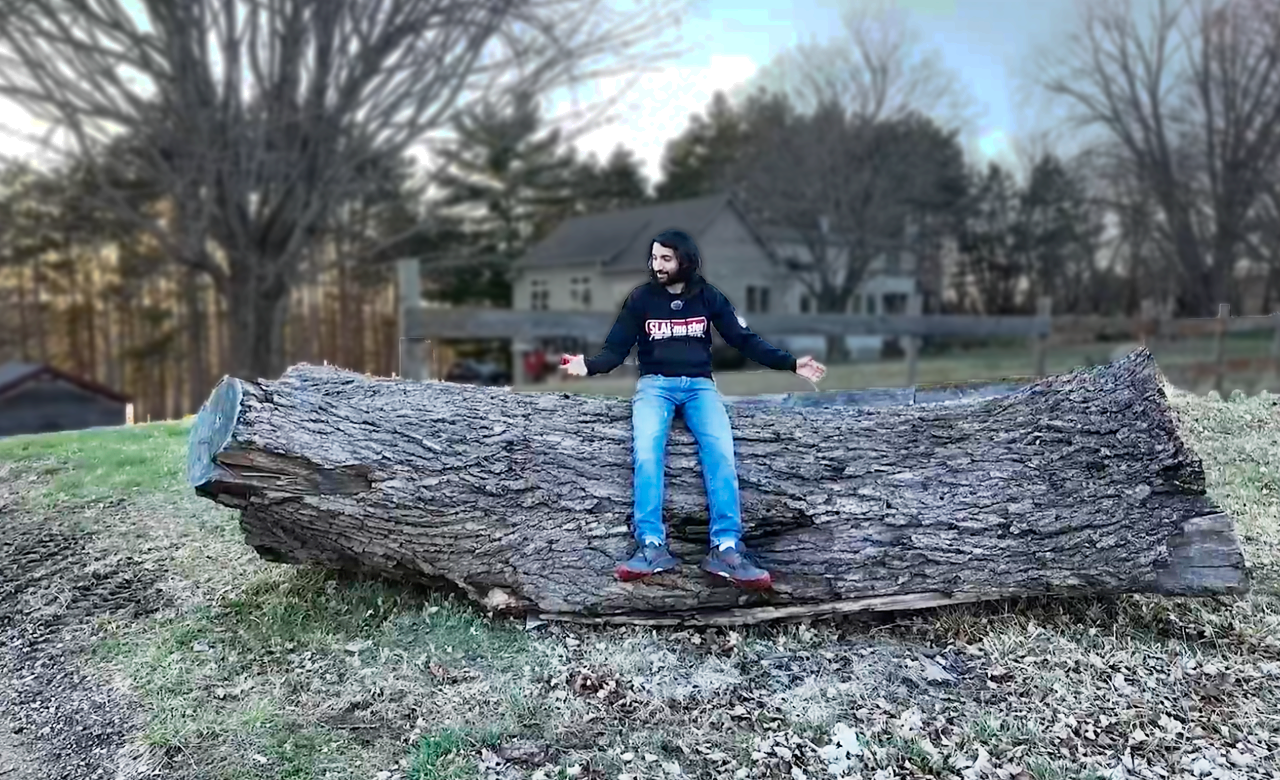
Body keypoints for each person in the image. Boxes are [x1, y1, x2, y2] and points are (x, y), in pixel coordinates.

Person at [559, 229, 826, 589]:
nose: (657, 265)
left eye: (665, 259)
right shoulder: (640, 299)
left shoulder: (708, 296)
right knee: (647, 454)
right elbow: (614, 351)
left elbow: (743, 339)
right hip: (655, 386)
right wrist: (587, 365)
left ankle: (727, 548)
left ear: (685, 260)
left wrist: (791, 364)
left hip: (700, 386)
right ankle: (651, 545)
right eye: (654, 258)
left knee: (721, 454)